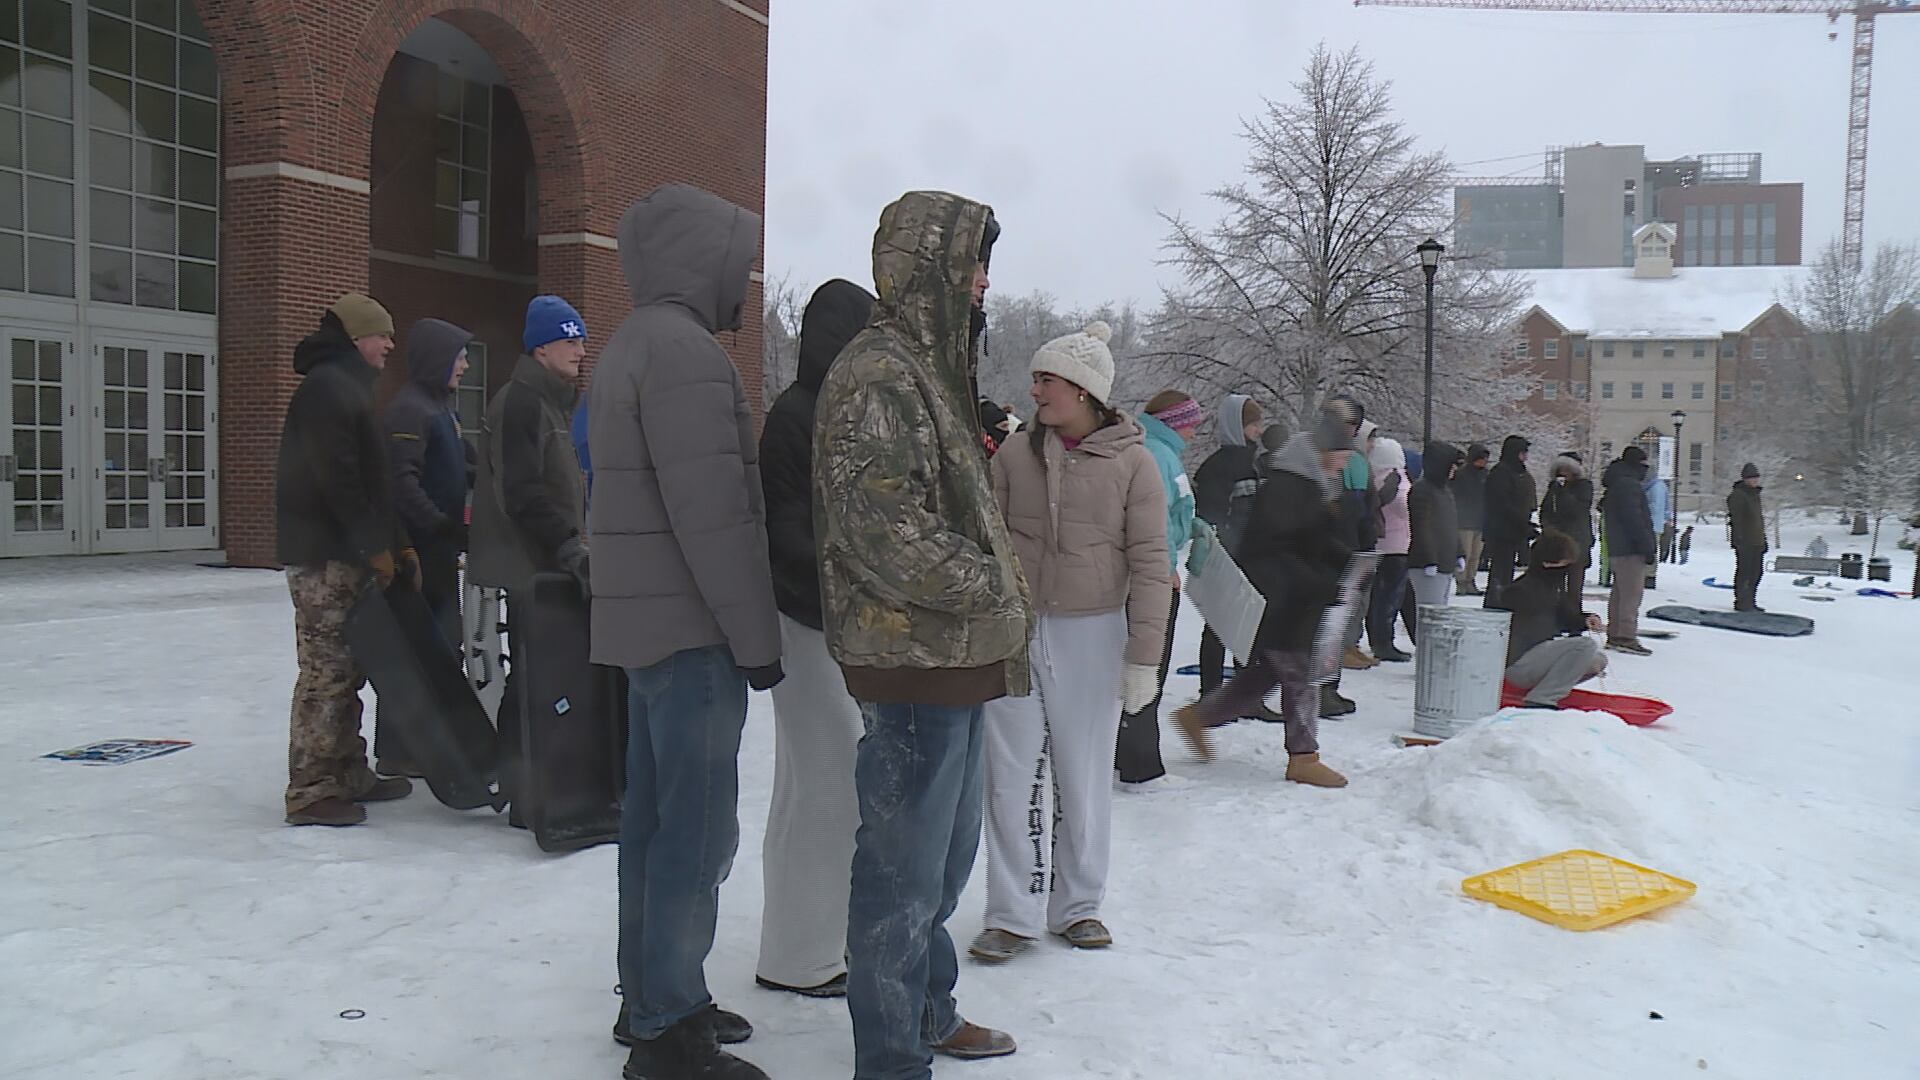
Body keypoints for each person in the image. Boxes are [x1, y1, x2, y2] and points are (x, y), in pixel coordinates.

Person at [812, 190, 1030, 1076]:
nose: (984, 283)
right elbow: (882, 529)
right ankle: (892, 1054)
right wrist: (999, 589)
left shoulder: (933, 368)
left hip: (957, 658)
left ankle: (930, 1010)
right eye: (974, 262)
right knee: (902, 876)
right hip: (911, 662)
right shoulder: (878, 373)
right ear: (932, 265)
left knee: (942, 869)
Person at [588, 185, 782, 1080]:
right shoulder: (687, 355)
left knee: (656, 827)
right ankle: (669, 1031)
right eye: (737, 260)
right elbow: (716, 519)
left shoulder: (635, 343)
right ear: (698, 260)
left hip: (646, 631)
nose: (745, 279)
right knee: (696, 837)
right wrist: (756, 638)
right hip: (693, 633)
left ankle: (657, 997)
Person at [971, 321, 1172, 964]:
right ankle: (1012, 913)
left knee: (1082, 772)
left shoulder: (1134, 464)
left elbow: (1150, 563)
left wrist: (1143, 657)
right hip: (1018, 632)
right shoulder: (1013, 456)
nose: (1034, 391)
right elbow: (989, 544)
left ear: (1084, 391)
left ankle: (1078, 905)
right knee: (1011, 774)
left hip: (1092, 632)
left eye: (1046, 380)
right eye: (1034, 378)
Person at [754, 278, 875, 999]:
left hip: (824, 622)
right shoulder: (799, 417)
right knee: (828, 788)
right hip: (804, 621)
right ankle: (802, 956)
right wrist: (855, 565)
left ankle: (800, 944)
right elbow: (789, 533)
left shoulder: (830, 412)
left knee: (807, 789)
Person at [274, 293, 415, 827]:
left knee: (351, 667)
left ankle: (347, 770)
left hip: (347, 554)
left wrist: (395, 542)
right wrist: (372, 545)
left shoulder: (347, 388)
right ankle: (311, 789)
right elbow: (340, 479)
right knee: (326, 671)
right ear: (357, 338)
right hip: (324, 557)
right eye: (383, 335)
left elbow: (372, 482)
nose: (390, 345)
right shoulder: (327, 391)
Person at [1173, 400, 1356, 788]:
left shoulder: (1312, 485)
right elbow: (1276, 548)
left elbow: (1315, 539)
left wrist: (1342, 562)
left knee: (1263, 677)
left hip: (1296, 596)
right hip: (1282, 598)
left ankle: (1199, 717)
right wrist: (1319, 579)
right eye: (1341, 455)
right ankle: (1304, 756)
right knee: (1299, 676)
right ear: (1323, 453)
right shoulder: (1290, 487)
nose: (1343, 463)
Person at [467, 294, 591, 823]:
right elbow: (521, 493)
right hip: (526, 567)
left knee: (541, 679)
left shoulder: (548, 402)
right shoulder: (521, 402)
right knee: (530, 682)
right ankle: (523, 788)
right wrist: (567, 545)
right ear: (541, 348)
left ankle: (532, 783)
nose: (580, 350)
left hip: (543, 564)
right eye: (570, 340)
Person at [1115, 388, 1201, 783]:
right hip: (1152, 578)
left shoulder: (1149, 448)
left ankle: (1127, 753)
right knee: (1149, 666)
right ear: (1175, 423)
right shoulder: (1159, 457)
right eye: (1191, 424)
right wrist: (1165, 567)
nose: (1195, 433)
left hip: (1138, 575)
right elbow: (1156, 522)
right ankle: (1139, 763)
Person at [1191, 393, 1266, 701]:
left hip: (1235, 553)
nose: (1259, 430)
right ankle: (1234, 694)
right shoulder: (1233, 465)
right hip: (1236, 554)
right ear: (1238, 426)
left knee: (1227, 625)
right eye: (1253, 424)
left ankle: (1219, 692)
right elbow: (1219, 514)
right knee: (1234, 625)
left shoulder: (1236, 463)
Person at [1487, 530, 1608, 709]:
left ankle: (1548, 688)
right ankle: (1542, 698)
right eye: (1565, 564)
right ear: (1548, 563)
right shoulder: (1521, 590)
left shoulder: (1552, 587)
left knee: (1597, 660)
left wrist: (1585, 620)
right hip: (1518, 663)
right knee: (1585, 646)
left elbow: (1565, 617)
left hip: (1538, 656)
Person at [1600, 445, 1658, 656]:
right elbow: (1635, 520)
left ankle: (1615, 633)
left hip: (1618, 546)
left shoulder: (1616, 483)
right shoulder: (1629, 486)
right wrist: (1647, 545)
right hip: (1630, 548)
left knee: (1620, 593)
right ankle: (1625, 636)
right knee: (1631, 595)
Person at [1366, 437, 1413, 663]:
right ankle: (1383, 642)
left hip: (1388, 543)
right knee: (1389, 597)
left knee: (1385, 596)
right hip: (1395, 545)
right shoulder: (1393, 479)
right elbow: (1402, 507)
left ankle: (1381, 640)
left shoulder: (1376, 477)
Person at [1406, 440, 1461, 631]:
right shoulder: (1422, 490)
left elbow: (1452, 523)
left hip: (1444, 561)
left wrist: (1458, 551)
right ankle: (1426, 653)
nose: (1454, 469)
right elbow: (1421, 527)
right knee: (1430, 614)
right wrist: (1429, 559)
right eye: (1451, 464)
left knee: (1440, 612)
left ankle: (1435, 652)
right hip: (1427, 563)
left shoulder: (1445, 490)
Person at [1482, 435, 1537, 604]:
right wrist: (1522, 521)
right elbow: (1501, 504)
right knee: (1500, 568)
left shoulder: (1518, 472)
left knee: (1507, 569)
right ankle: (1496, 600)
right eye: (1523, 452)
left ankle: (1502, 598)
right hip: (1502, 530)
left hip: (1514, 529)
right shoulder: (1501, 473)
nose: (1525, 456)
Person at [1539, 452, 1595, 601]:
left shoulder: (1584, 486)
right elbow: (1546, 510)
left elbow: (1579, 509)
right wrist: (1547, 527)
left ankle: (1572, 614)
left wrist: (1563, 492)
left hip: (1577, 539)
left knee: (1574, 583)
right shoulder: (1554, 488)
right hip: (1557, 539)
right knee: (1553, 581)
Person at [1728, 462, 1769, 612]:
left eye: (1756, 478)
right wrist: (1738, 539)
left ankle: (1750, 599)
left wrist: (1763, 539)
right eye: (1751, 478)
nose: (1754, 481)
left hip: (1756, 540)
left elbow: (1758, 520)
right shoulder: (1738, 495)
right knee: (1744, 571)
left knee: (1756, 572)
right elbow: (1737, 520)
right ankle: (1742, 600)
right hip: (1745, 540)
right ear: (1745, 479)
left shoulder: (1755, 495)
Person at [1453, 443, 1491, 595]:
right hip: (1464, 520)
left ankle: (1470, 579)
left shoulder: (1486, 475)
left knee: (1476, 555)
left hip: (1480, 519)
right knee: (1465, 553)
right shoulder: (1461, 475)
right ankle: (1461, 581)